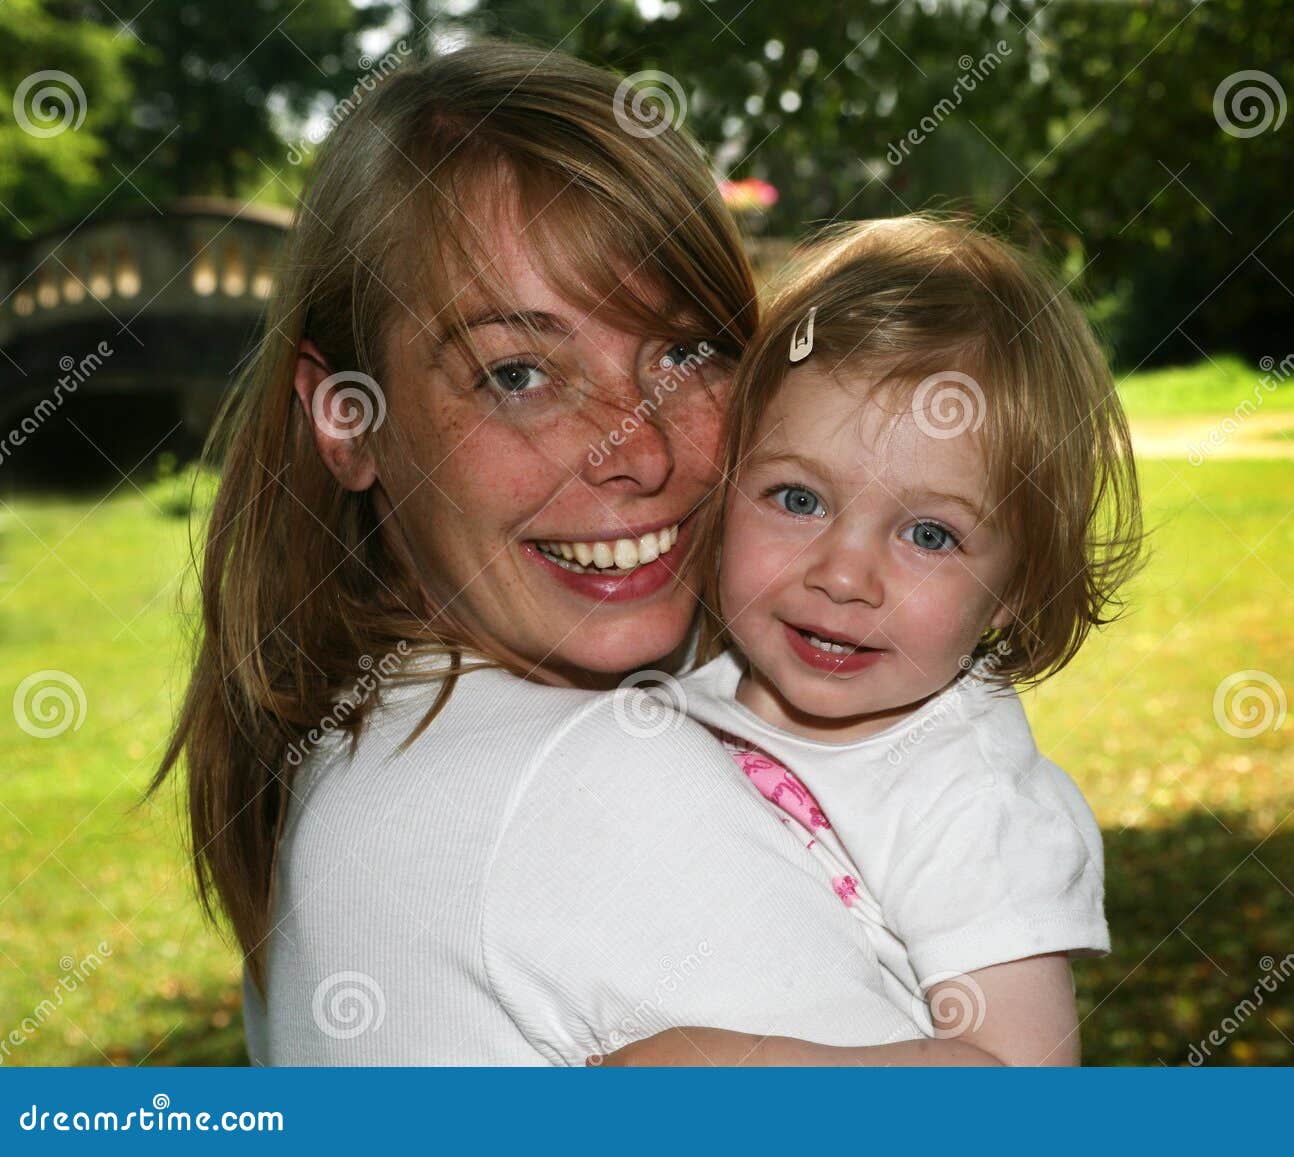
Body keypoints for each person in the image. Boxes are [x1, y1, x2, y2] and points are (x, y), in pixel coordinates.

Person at [152, 42, 922, 1064]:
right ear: (346, 420)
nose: (637, 450)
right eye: (516, 373)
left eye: (684, 352)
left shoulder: (354, 740)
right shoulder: (589, 785)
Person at [604, 217, 1142, 1065]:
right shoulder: (684, 668)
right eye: (797, 499)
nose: (845, 575)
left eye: (929, 535)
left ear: (1016, 588)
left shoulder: (971, 801)